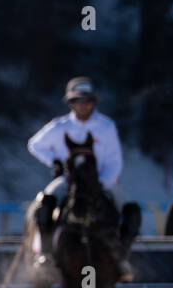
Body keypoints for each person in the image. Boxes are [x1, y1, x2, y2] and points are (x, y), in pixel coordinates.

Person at [26, 77, 132, 274]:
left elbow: (114, 161)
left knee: (129, 211)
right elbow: (34, 144)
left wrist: (102, 184)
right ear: (70, 103)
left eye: (87, 100)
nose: (83, 105)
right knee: (44, 204)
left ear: (94, 102)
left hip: (101, 182)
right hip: (67, 182)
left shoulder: (106, 127)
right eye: (78, 101)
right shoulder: (59, 126)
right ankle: (45, 255)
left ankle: (122, 258)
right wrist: (54, 161)